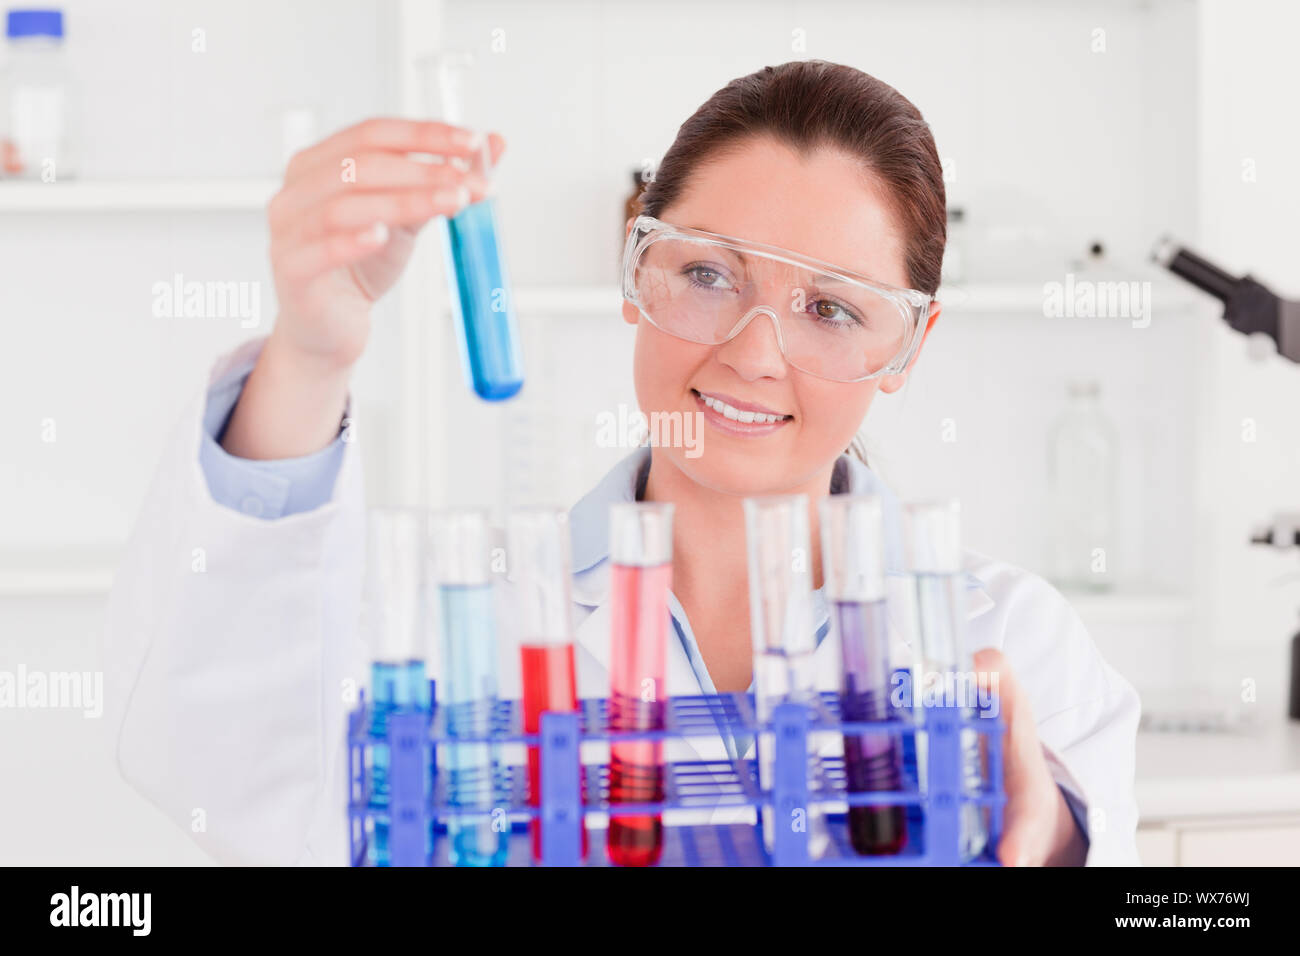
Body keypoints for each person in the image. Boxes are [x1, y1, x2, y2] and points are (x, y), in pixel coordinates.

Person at [104, 59, 1140, 867]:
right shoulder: (471, 630)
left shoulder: (1005, 643)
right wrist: (310, 352)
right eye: (704, 272)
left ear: (907, 345)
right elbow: (239, 782)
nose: (752, 350)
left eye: (829, 307)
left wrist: (1046, 837)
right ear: (633, 274)